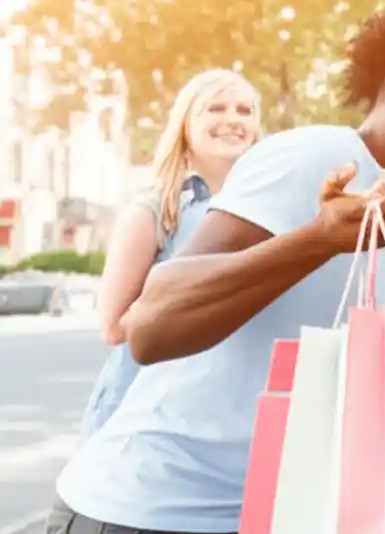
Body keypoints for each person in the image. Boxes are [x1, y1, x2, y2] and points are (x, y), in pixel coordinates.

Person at [48, 0, 385, 534]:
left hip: (256, 516)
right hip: (143, 512)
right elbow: (150, 326)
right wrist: (317, 239)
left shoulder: (384, 210)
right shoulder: (318, 156)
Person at [83, 69, 262, 437]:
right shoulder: (153, 213)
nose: (232, 119)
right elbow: (114, 326)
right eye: (216, 108)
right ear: (185, 126)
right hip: (147, 417)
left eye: (244, 110)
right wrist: (189, 306)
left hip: (232, 414)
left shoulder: (268, 210)